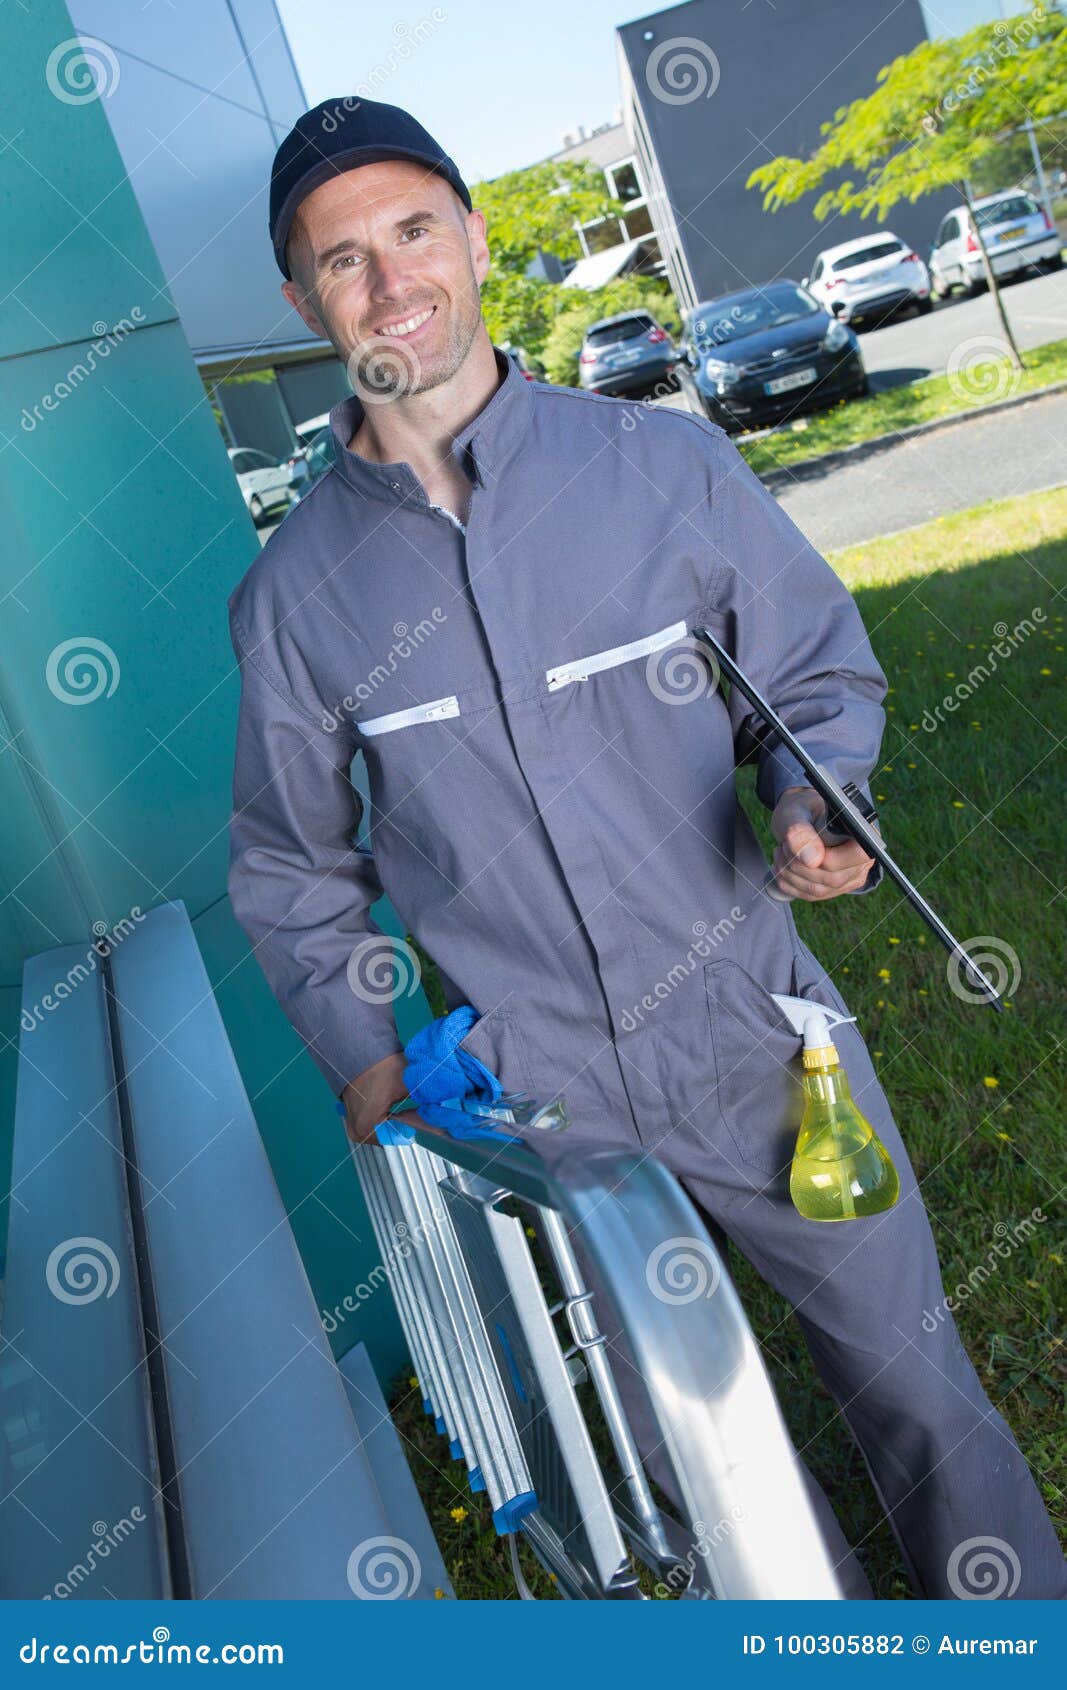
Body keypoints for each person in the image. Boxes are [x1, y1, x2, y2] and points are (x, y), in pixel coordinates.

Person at [226, 96, 1065, 1599]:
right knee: (703, 1469)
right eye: (341, 260)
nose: (391, 279)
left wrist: (819, 806)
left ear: (476, 239)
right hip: (541, 1105)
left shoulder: (660, 469)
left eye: (414, 230)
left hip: (758, 1037)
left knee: (920, 1387)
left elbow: (809, 678)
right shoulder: (296, 593)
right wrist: (368, 1055)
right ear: (302, 301)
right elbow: (293, 860)